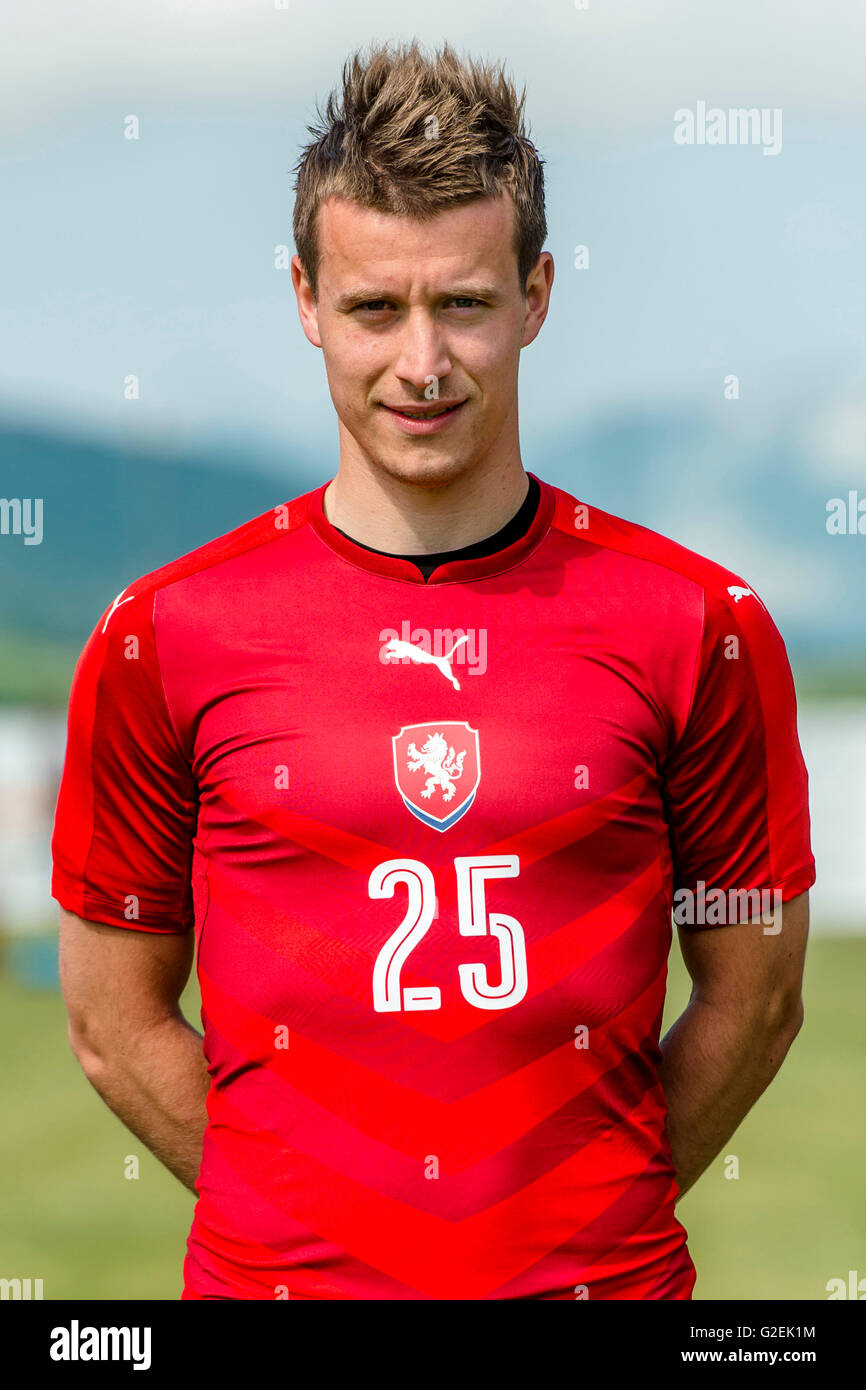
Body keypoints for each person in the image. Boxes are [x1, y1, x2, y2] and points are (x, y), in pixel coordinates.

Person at [52, 39, 814, 1301]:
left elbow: (758, 995)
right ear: (304, 298)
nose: (420, 362)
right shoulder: (164, 633)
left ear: (536, 296)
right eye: (372, 308)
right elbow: (110, 1017)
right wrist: (317, 1237)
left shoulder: (695, 623)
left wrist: (572, 1228)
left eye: (461, 302)